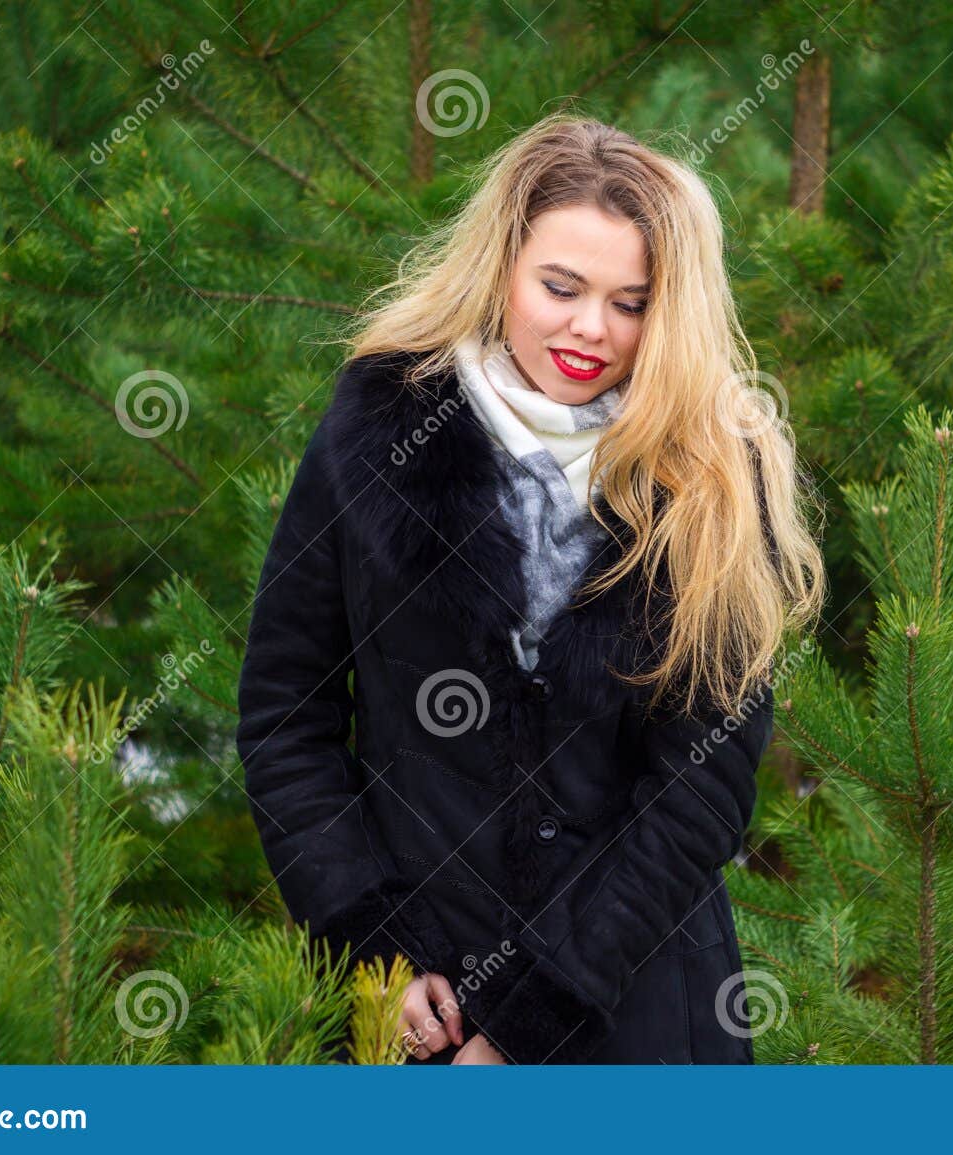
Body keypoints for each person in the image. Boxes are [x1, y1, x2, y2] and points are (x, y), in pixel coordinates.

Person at [235, 112, 824, 1065]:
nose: (592, 327)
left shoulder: (715, 471)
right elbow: (284, 720)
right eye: (561, 286)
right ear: (502, 265)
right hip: (417, 1021)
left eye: (631, 302)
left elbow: (702, 788)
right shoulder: (377, 430)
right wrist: (376, 946)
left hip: (641, 1018)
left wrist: (531, 1018)